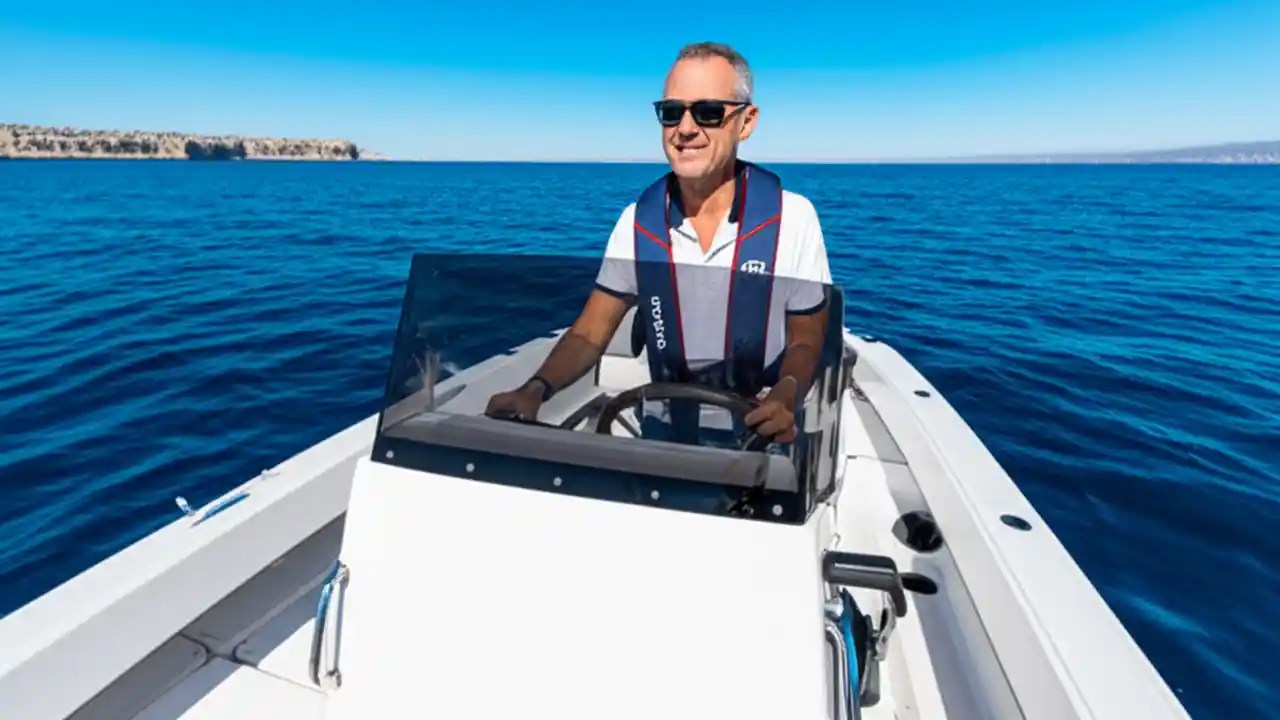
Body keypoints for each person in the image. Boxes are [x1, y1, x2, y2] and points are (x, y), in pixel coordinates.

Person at [485, 41, 832, 445]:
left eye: (708, 112)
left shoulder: (794, 218)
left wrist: (786, 393)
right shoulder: (637, 222)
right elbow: (590, 333)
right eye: (671, 113)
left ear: (746, 121)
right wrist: (536, 389)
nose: (685, 129)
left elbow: (807, 338)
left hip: (761, 432)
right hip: (663, 432)